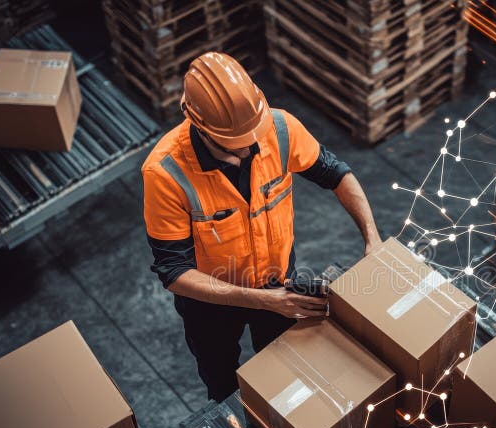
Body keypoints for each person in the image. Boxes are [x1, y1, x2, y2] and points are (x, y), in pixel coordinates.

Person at [142, 52, 382, 401]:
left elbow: (337, 174)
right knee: (222, 382)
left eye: (255, 134)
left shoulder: (278, 128)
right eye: (237, 144)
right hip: (212, 303)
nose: (253, 146)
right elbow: (174, 271)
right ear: (200, 127)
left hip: (278, 281)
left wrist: (372, 238)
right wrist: (262, 300)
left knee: (287, 373)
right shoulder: (165, 173)